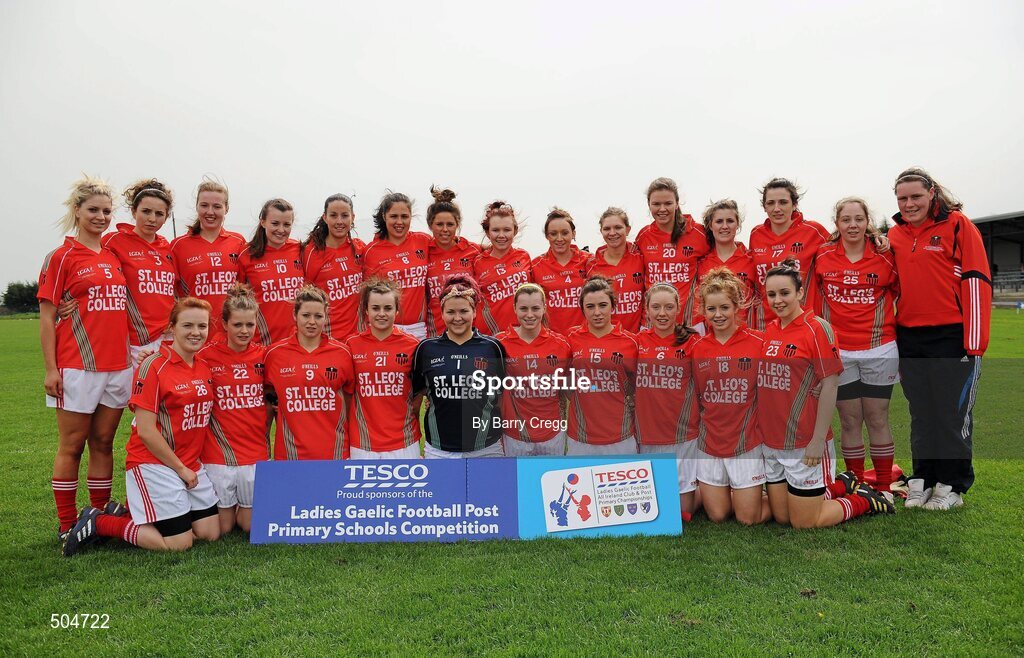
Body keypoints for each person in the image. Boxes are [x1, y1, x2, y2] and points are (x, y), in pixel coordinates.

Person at [62, 297, 221, 555]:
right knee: (179, 544)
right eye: (188, 325)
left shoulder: (203, 367)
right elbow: (146, 432)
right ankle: (100, 522)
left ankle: (124, 512)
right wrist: (180, 469)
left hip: (190, 463)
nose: (196, 332)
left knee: (211, 533)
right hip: (154, 463)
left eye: (202, 327)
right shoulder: (153, 366)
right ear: (171, 328)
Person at [758, 259, 893, 528]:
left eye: (784, 293)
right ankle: (843, 484)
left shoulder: (817, 328)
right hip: (772, 442)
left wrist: (818, 440)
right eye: (771, 294)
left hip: (805, 442)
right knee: (783, 517)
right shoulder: (770, 329)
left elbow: (830, 384)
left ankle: (866, 499)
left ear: (799, 293)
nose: (778, 300)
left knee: (805, 523)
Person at [888, 167, 991, 510]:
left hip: (952, 337)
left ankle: (953, 487)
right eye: (902, 198)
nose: (909, 203)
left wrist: (973, 344)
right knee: (922, 413)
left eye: (915, 196)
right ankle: (924, 480)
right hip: (911, 337)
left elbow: (976, 279)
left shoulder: (958, 225)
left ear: (932, 192)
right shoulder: (896, 235)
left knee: (951, 414)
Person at [39, 176, 132, 543]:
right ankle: (65, 524)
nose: (101, 216)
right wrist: (51, 368)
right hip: (77, 364)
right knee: (72, 444)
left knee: (104, 441)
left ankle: (96, 514)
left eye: (106, 211)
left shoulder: (112, 254)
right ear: (76, 210)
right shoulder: (61, 256)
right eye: (93, 209)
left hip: (117, 365)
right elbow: (48, 316)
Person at [811, 197, 900, 497]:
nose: (852, 225)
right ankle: (857, 484)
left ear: (867, 222)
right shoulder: (822, 254)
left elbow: (900, 292)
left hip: (880, 349)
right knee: (850, 419)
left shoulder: (886, 255)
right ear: (836, 224)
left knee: (877, 417)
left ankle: (885, 485)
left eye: (858, 219)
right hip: (840, 352)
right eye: (846, 219)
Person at [691, 269, 771, 525]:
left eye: (725, 307)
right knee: (718, 515)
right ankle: (737, 491)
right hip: (710, 443)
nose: (718, 315)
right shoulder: (698, 347)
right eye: (712, 309)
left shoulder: (759, 342)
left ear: (737, 306)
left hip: (745, 441)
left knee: (748, 518)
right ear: (703, 311)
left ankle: (783, 498)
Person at [197, 284, 270, 533]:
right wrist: (147, 357)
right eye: (237, 324)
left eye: (250, 325)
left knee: (250, 526)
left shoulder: (265, 356)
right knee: (223, 529)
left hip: (254, 453)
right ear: (224, 324)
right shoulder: (205, 357)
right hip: (219, 454)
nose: (244, 330)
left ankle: (244, 507)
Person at [411, 274, 507, 458]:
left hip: (487, 448)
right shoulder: (426, 349)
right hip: (439, 451)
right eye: (451, 312)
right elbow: (416, 401)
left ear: (475, 312)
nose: (457, 318)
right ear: (441, 312)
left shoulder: (492, 347)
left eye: (463, 311)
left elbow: (502, 399)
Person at [263, 285, 355, 460]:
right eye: (306, 315)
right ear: (294, 315)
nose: (312, 322)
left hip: (335, 455)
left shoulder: (343, 353)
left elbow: (350, 402)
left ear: (326, 317)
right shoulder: (274, 354)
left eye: (318, 316)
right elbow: (267, 400)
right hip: (290, 457)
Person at [633, 283, 701, 517]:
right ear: (647, 309)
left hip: (682, 432)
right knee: (653, 506)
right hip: (647, 433)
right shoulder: (636, 342)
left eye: (669, 307)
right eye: (656, 307)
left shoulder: (692, 342)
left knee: (683, 513)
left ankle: (707, 488)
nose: (662, 313)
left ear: (678, 309)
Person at [101, 179, 178, 359]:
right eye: (146, 211)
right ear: (134, 211)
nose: (152, 219)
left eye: (159, 213)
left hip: (170, 338)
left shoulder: (167, 248)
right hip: (137, 342)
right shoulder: (113, 242)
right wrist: (68, 298)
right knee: (139, 387)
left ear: (166, 217)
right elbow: (88, 265)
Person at [346, 278, 421, 459]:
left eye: (387, 308)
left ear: (396, 311)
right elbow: (347, 394)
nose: (381, 314)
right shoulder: (351, 345)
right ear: (366, 310)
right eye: (375, 308)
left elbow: (419, 395)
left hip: (404, 441)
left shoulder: (413, 345)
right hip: (363, 443)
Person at [495, 283, 572, 456]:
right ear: (514, 308)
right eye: (523, 308)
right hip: (515, 435)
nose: (529, 315)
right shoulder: (499, 344)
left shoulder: (561, 345)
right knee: (517, 482)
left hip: (553, 434)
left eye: (535, 308)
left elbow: (571, 390)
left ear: (545, 308)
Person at [565, 276, 640, 454]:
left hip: (620, 437)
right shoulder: (570, 339)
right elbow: (565, 383)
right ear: (582, 309)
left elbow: (637, 386)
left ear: (613, 306)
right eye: (590, 307)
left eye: (603, 305)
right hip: (581, 438)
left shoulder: (631, 342)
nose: (597, 312)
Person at [169, 178, 246, 343]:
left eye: (217, 206)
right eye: (204, 205)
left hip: (231, 336)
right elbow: (172, 295)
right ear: (197, 206)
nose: (210, 212)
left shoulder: (238, 242)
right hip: (194, 337)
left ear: (226, 209)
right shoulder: (178, 246)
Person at [748, 178, 831, 329]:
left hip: (803, 323)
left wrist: (875, 238)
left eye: (783, 202)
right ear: (764, 207)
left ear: (794, 204)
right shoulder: (756, 234)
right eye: (771, 203)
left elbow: (845, 245)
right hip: (765, 324)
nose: (777, 208)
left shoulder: (813, 231)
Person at [634, 177, 710, 324]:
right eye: (656, 204)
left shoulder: (698, 233)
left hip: (689, 323)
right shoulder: (644, 236)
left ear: (676, 203)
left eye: (668, 203)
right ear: (649, 205)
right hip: (653, 322)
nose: (662, 209)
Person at [362, 191, 431, 339]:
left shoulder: (423, 241)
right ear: (384, 216)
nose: (399, 222)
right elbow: (366, 297)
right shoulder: (370, 252)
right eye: (394, 216)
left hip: (418, 329)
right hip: (386, 329)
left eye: (404, 217)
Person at [236, 198, 304, 345]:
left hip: (297, 342)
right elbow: (237, 299)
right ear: (263, 222)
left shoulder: (300, 250)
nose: (281, 230)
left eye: (287, 224)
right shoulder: (247, 254)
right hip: (262, 342)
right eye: (275, 223)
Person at [302, 193, 366, 340]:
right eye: (333, 215)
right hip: (327, 337)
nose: (339, 221)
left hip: (358, 337)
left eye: (344, 216)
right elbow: (304, 298)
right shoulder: (312, 252)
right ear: (325, 218)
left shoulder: (359, 248)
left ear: (353, 217)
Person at [696, 199, 761, 330]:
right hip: (711, 340)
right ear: (710, 225)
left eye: (730, 221)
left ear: (738, 224)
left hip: (745, 340)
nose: (725, 226)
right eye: (719, 221)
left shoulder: (752, 260)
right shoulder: (701, 263)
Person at [425, 186, 480, 337]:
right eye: (439, 224)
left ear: (457, 225)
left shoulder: (472, 251)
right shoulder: (424, 252)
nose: (445, 229)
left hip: (468, 330)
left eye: (450, 225)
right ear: (430, 225)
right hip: (436, 332)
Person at [473, 201, 533, 333]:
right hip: (490, 335)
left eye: (506, 230)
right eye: (495, 230)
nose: (501, 235)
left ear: (515, 231)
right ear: (488, 233)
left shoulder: (523, 256)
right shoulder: (477, 262)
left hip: (521, 332)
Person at [531, 208, 592, 334]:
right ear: (547, 236)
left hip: (584, 337)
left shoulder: (588, 260)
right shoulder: (536, 265)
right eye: (553, 234)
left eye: (565, 233)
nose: (559, 239)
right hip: (551, 339)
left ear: (573, 234)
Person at [587, 208, 645, 333]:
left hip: (637, 337)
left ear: (627, 230)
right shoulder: (591, 265)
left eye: (618, 227)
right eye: (607, 229)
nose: (612, 233)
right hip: (606, 338)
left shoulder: (641, 257)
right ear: (601, 231)